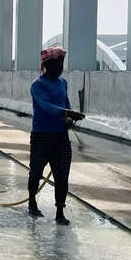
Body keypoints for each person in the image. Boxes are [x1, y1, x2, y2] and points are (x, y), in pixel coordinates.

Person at [28, 46, 85, 224]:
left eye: (61, 63)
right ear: (46, 65)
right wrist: (67, 112)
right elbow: (46, 106)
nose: (59, 67)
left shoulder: (63, 83)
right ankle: (32, 202)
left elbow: (64, 102)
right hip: (41, 135)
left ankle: (60, 211)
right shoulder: (37, 85)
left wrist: (69, 118)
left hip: (60, 136)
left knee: (62, 175)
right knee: (36, 171)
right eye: (56, 63)